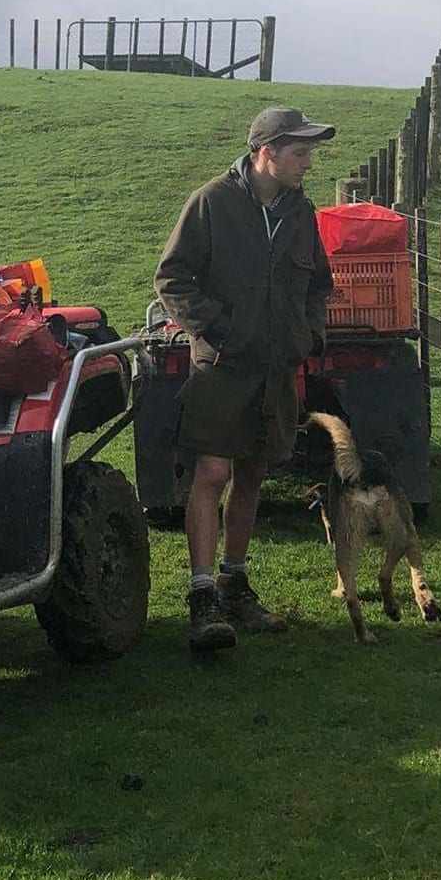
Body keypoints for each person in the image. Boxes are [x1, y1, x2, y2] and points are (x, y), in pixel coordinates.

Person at [152, 106, 335, 651]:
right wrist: (221, 331)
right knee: (212, 471)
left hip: (277, 369)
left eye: (308, 153)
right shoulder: (212, 202)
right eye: (299, 153)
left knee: (253, 472)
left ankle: (234, 584)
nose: (307, 163)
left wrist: (308, 336)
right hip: (222, 368)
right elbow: (171, 277)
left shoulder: (300, 212)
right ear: (266, 153)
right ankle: (202, 597)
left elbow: (318, 286)